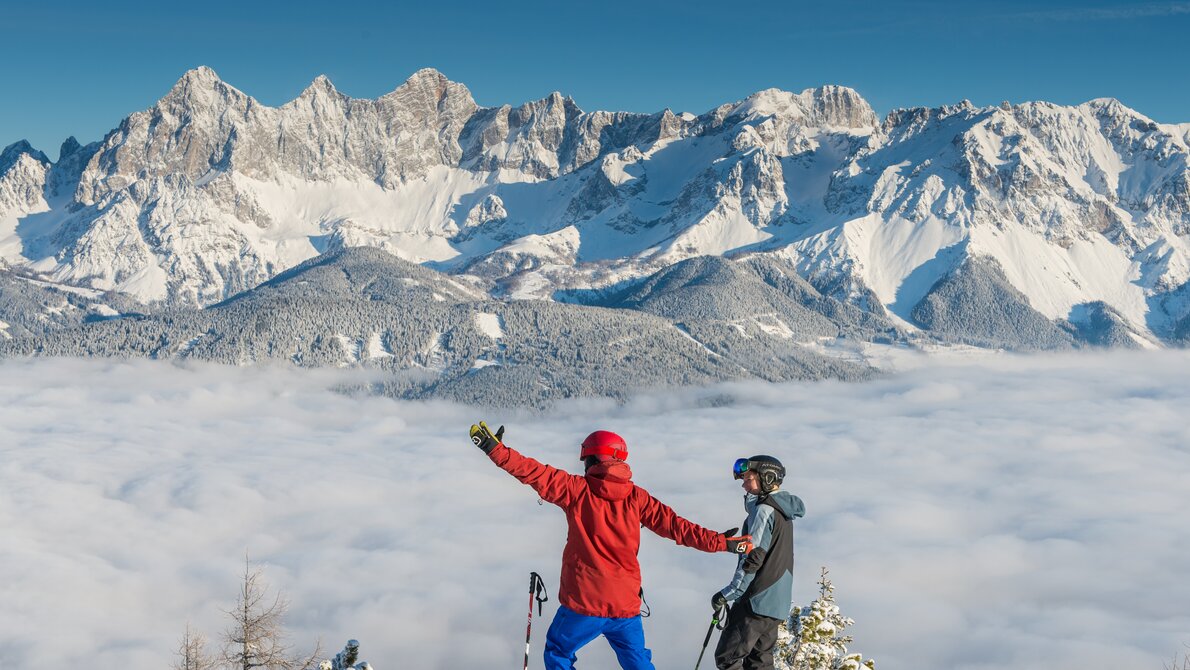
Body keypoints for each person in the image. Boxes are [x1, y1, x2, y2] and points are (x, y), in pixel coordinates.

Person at [468, 422, 754, 670]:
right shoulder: (637, 498)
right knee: (637, 661)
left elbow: (533, 472)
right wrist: (723, 543)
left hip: (584, 603)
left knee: (558, 651)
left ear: (592, 460)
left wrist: (496, 451)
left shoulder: (575, 489)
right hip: (625, 605)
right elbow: (679, 528)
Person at [712, 455, 805, 670]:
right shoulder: (783, 509)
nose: (743, 484)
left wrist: (726, 595)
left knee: (728, 658)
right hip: (775, 605)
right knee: (759, 662)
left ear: (767, 477)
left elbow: (753, 557)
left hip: (755, 601)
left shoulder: (765, 510)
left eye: (748, 478)